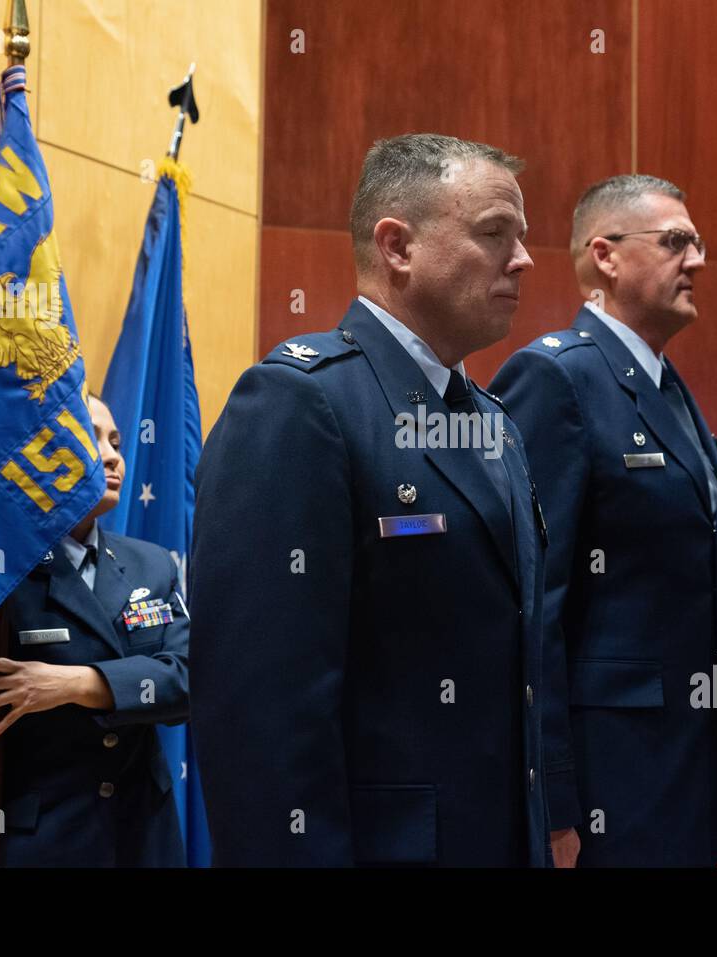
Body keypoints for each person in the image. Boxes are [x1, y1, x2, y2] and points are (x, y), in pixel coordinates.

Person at [190, 133, 558, 866]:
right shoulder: (303, 402)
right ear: (397, 246)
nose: (524, 260)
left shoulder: (495, 425)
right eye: (494, 234)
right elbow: (261, 718)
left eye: (521, 238)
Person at [490, 174, 717, 866]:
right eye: (674, 242)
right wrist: (554, 802)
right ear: (605, 256)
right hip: (607, 789)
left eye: (697, 243)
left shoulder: (668, 388)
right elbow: (533, 606)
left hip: (680, 775)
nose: (697, 260)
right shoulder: (556, 378)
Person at [0, 394, 190, 866]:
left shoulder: (150, 564)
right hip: (42, 846)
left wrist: (78, 684)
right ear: (41, 453)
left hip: (143, 841)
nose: (114, 454)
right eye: (92, 438)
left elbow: (186, 681)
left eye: (116, 441)